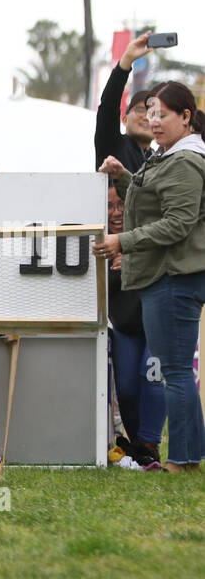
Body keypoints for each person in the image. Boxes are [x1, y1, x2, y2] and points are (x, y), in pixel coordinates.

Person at [97, 81, 205, 472]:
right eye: (150, 113)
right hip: (166, 276)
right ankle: (191, 455)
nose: (154, 121)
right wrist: (124, 176)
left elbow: (177, 224)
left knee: (175, 373)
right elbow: (152, 199)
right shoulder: (168, 156)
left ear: (186, 117)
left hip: (174, 277)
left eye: (162, 114)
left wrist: (122, 241)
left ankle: (181, 460)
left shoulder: (186, 161)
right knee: (177, 373)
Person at [102, 178, 163, 466]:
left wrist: (132, 259)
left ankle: (150, 443)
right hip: (125, 328)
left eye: (120, 205)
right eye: (109, 206)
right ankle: (139, 448)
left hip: (158, 324)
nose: (115, 212)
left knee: (151, 380)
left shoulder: (149, 233)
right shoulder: (100, 244)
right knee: (125, 388)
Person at [95, 32, 156, 173]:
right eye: (141, 109)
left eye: (154, 113)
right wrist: (127, 60)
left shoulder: (161, 161)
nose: (147, 117)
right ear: (124, 119)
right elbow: (108, 105)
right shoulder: (112, 144)